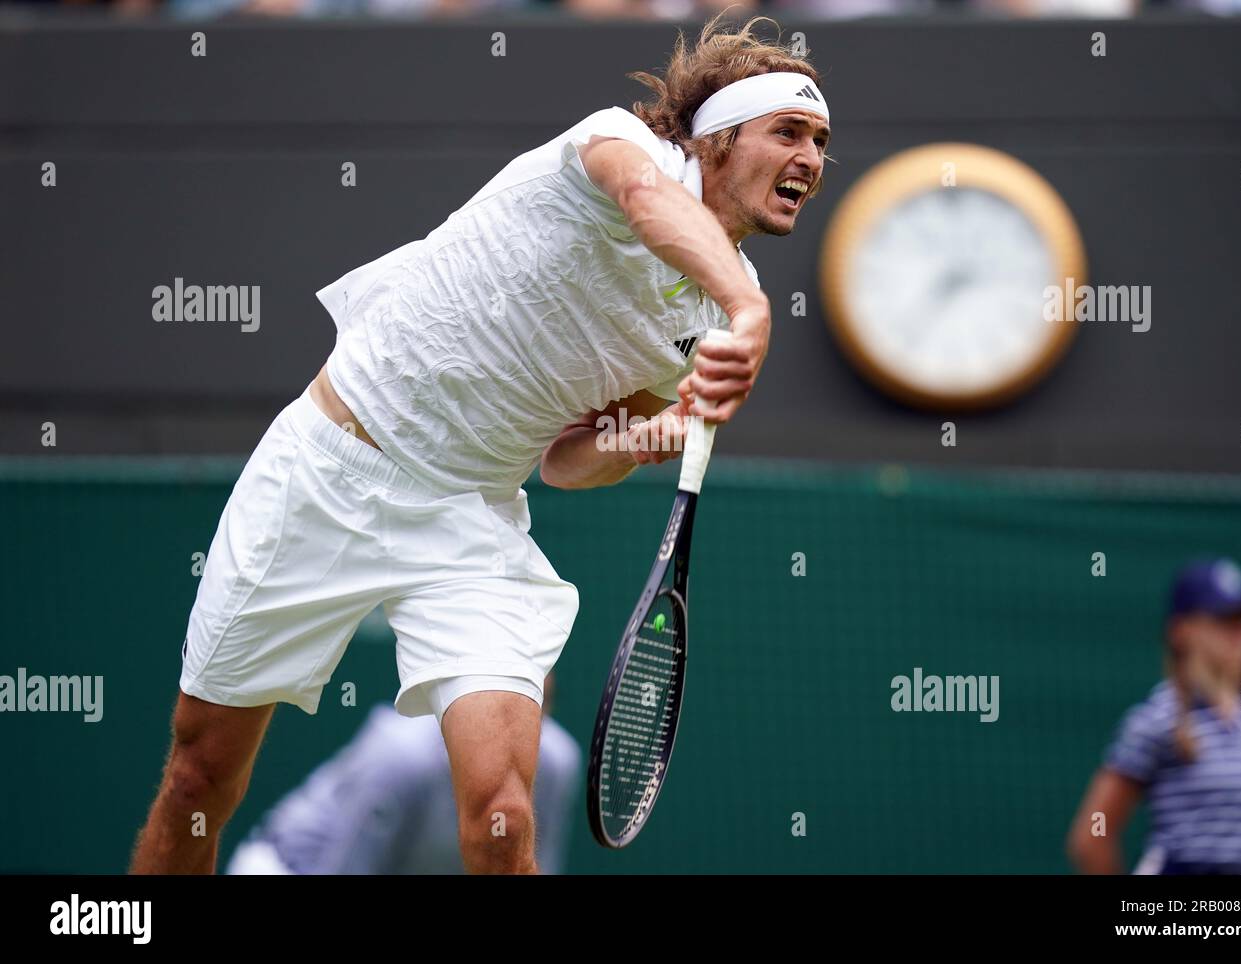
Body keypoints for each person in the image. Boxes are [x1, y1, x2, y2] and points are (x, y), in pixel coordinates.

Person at [129, 13, 830, 875]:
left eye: (822, 141)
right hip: (327, 470)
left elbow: (566, 463)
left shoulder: (715, 314)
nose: (811, 157)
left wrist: (642, 435)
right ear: (717, 137)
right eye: (788, 131)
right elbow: (649, 205)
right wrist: (753, 310)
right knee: (200, 776)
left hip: (469, 525)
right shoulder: (617, 148)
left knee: (502, 817)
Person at [1066, 557, 1241, 874]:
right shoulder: (1157, 720)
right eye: (1224, 620)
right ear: (1181, 630)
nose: (1239, 632)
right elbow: (1093, 832)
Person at [226, 675, 581, 874]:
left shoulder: (557, 763)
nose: (517, 726)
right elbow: (345, 868)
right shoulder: (402, 757)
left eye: (535, 704)